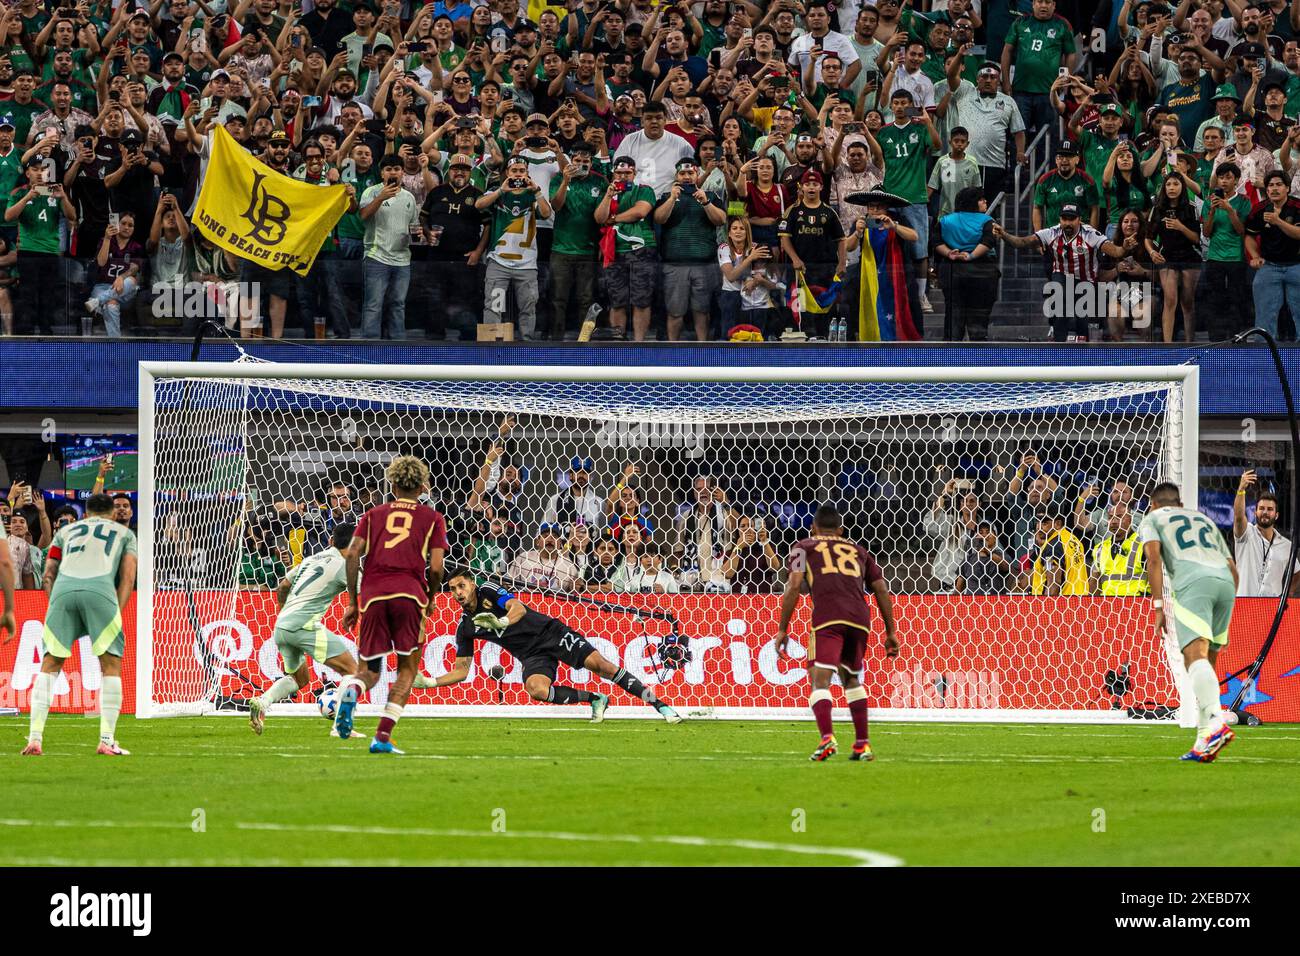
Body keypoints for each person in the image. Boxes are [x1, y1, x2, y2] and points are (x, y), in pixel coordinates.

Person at [421, 566, 682, 722]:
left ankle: (661, 706)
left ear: (472, 584)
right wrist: (430, 682)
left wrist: (501, 624)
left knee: (602, 666)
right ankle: (595, 698)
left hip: (550, 633)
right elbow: (462, 671)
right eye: (453, 589)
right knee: (536, 689)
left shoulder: (488, 589)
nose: (458, 593)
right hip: (531, 655)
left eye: (462, 586)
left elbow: (518, 608)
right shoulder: (466, 627)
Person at [336, 456, 449, 754]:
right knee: (407, 671)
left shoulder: (373, 514)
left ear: (393, 484)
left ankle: (352, 690)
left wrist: (353, 601)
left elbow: (351, 555)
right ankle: (382, 737)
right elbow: (437, 566)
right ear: (422, 486)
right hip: (409, 595)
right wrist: (431, 597)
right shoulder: (432, 518)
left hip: (373, 595)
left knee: (369, 672)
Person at [775, 503, 898, 762]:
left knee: (819, 679)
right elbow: (881, 590)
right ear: (840, 530)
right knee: (851, 678)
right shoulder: (859, 551)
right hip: (860, 619)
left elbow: (794, 586)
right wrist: (891, 632)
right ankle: (862, 744)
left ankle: (827, 738)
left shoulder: (802, 546)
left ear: (813, 527)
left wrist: (783, 628)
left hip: (828, 618)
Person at [22, 494, 137, 757]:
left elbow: (48, 573)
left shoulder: (66, 531)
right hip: (101, 593)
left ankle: (35, 739)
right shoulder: (124, 534)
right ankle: (107, 740)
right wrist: (115, 613)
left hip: (63, 592)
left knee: (50, 663)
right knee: (110, 666)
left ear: (85, 514)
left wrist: (56, 604)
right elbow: (128, 578)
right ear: (111, 514)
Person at [1139, 482, 1239, 762]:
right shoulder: (1203, 519)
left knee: (1193, 658)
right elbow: (1232, 567)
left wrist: (1158, 606)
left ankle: (1217, 724)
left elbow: (1154, 559)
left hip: (1193, 584)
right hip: (1226, 585)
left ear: (1154, 503)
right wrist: (1228, 599)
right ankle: (1203, 739)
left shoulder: (1153, 518)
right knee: (1206, 664)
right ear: (1180, 504)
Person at [247, 523, 365, 736]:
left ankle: (263, 701)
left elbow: (283, 586)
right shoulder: (348, 565)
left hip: (282, 625)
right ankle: (341, 725)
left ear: (331, 541)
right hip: (304, 625)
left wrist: (283, 612)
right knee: (353, 672)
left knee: (299, 679)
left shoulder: (311, 559)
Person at [993, 203, 1139, 342]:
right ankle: (1059, 343)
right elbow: (1022, 242)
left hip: (1086, 281)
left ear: (1079, 219)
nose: (1068, 223)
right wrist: (1004, 235)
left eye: (1072, 219)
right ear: (1060, 219)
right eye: (1064, 219)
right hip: (1061, 277)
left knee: (1082, 318)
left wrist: (1124, 247)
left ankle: (1083, 346)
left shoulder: (1090, 234)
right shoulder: (1052, 232)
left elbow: (1115, 251)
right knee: (1059, 300)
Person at [477, 156, 553, 339]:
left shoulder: (533, 194)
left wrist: (537, 191)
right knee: (494, 306)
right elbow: (479, 205)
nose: (517, 175)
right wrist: (501, 191)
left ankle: (526, 343)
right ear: (506, 173)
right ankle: (490, 344)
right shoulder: (497, 191)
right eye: (514, 171)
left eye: (521, 171)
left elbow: (546, 213)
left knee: (528, 307)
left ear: (527, 173)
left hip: (526, 264)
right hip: (498, 262)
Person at [654, 156, 726, 341]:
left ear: (697, 174)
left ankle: (702, 350)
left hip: (704, 264)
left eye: (690, 173)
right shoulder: (665, 196)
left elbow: (721, 220)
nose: (686, 177)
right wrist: (672, 198)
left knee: (702, 310)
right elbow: (659, 219)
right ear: (676, 176)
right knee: (675, 311)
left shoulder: (710, 196)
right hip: (674, 264)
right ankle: (672, 350)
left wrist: (706, 203)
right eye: (682, 173)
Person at [359, 153, 420, 339]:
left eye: (396, 169)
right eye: (388, 169)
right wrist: (380, 198)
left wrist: (417, 234)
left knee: (398, 304)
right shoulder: (371, 192)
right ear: (382, 173)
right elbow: (363, 216)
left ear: (402, 173)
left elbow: (413, 227)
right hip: (376, 256)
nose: (393, 172)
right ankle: (369, 347)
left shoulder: (409, 197)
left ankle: (398, 347)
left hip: (403, 259)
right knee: (373, 304)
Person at [596, 155, 657, 339]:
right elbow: (599, 218)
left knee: (641, 300)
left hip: (641, 249)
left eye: (627, 173)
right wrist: (608, 196)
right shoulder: (607, 192)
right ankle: (618, 342)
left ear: (634, 173)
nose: (623, 176)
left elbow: (640, 212)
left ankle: (639, 343)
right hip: (614, 250)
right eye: (619, 172)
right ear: (613, 173)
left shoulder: (644, 189)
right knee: (617, 301)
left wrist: (613, 218)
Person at [934, 186, 998, 340]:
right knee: (978, 318)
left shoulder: (945, 220)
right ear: (973, 202)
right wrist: (970, 256)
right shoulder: (987, 220)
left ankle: (950, 355)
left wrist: (950, 253)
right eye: (981, 199)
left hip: (951, 271)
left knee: (954, 315)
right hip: (982, 271)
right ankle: (977, 354)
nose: (985, 201)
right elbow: (988, 242)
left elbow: (935, 242)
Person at [1146, 171, 1203, 343]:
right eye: (1168, 184)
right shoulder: (1157, 208)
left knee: (1187, 302)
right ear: (1164, 187)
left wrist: (1180, 226)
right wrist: (1152, 252)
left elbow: (1196, 238)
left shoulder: (1191, 207)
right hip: (1167, 258)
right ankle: (1167, 344)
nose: (1172, 188)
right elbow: (1148, 238)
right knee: (1170, 300)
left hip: (1189, 257)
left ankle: (1189, 343)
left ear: (1182, 187)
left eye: (1176, 184)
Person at [1245, 170, 1300, 338]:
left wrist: (1278, 221)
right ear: (1266, 190)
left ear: (1288, 188)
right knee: (1264, 316)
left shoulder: (1297, 207)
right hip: (1269, 266)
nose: (1274, 189)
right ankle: (1264, 356)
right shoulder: (1259, 209)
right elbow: (1249, 236)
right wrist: (1255, 256)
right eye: (1270, 185)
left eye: (1279, 185)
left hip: (1297, 265)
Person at [1233, 469, 1294, 598]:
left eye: (1270, 509)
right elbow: (1238, 517)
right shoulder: (1246, 534)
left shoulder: (1286, 545)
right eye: (1261, 508)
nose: (1265, 512)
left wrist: (1287, 594)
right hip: (1244, 604)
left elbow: (1297, 572)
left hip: (1271, 609)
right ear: (1255, 512)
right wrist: (1241, 489)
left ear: (1276, 515)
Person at [1089, 502, 1149, 597]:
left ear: (1130, 519)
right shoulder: (1100, 548)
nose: (1113, 521)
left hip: (1136, 604)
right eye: (1110, 517)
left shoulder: (1143, 546)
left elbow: (1156, 577)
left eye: (1119, 517)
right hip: (1107, 605)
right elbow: (1094, 582)